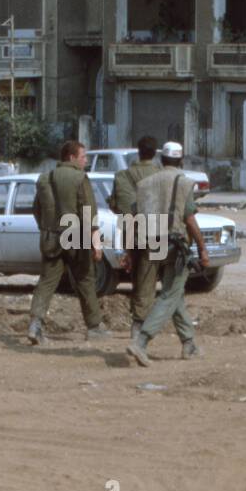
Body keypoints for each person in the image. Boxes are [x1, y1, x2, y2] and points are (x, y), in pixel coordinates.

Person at [127, 141, 209, 367]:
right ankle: (141, 341)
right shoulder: (183, 183)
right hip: (175, 244)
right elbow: (189, 219)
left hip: (150, 243)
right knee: (170, 293)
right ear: (181, 160)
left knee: (175, 293)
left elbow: (132, 217)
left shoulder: (145, 184)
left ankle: (189, 343)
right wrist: (202, 248)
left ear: (161, 160)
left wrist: (128, 249)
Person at [27, 140, 111, 345]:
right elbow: (88, 212)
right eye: (83, 157)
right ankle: (94, 327)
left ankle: (35, 325)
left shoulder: (44, 178)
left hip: (50, 237)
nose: (86, 161)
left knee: (46, 282)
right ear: (72, 158)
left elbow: (36, 210)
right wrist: (95, 243)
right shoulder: (80, 178)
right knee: (85, 280)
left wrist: (47, 229)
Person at [109, 136, 162, 341]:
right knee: (148, 281)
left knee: (137, 279)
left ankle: (140, 320)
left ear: (138, 152)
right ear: (154, 152)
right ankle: (139, 325)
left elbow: (118, 208)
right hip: (155, 234)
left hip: (130, 232)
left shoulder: (123, 176)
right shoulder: (161, 176)